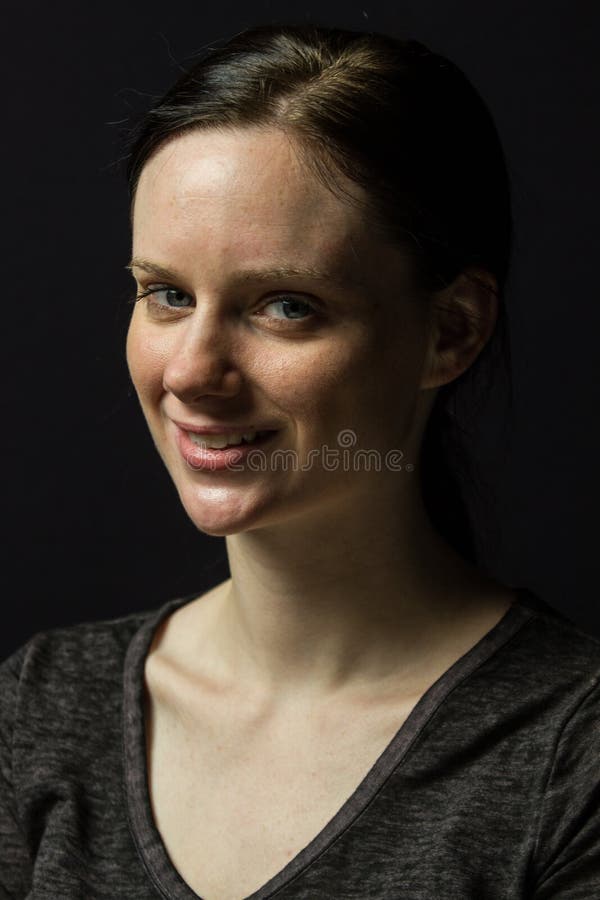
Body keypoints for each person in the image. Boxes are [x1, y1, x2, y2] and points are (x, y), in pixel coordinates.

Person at [1, 22, 599, 900]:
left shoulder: (570, 753)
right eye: (166, 294)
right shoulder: (39, 711)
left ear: (453, 330)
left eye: (285, 306)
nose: (193, 372)